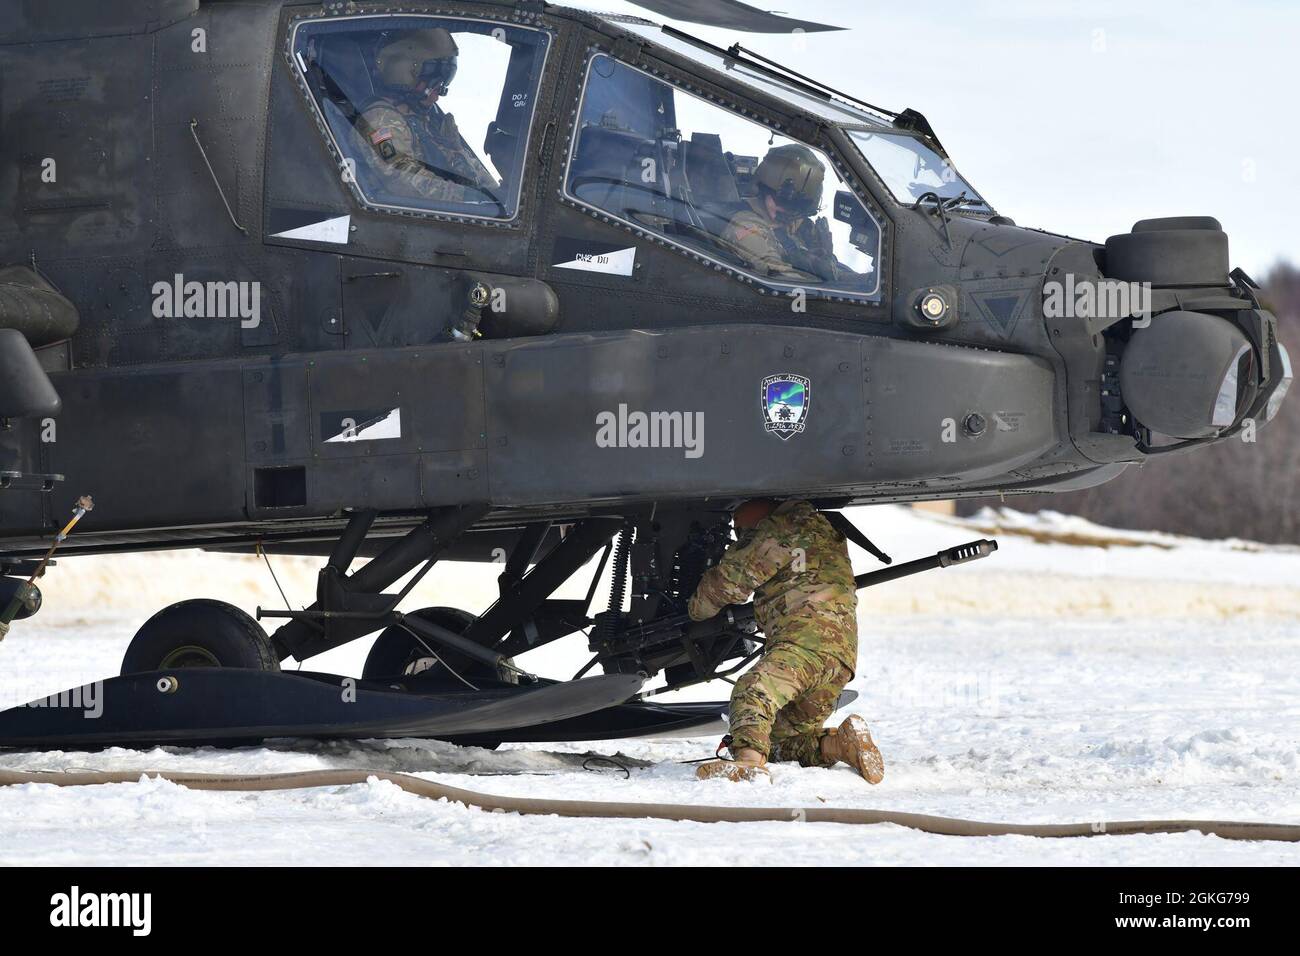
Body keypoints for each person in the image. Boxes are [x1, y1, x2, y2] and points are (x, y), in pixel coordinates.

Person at [688, 498, 884, 783]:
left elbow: (724, 586)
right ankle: (840, 744)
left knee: (753, 690)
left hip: (803, 647)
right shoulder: (824, 529)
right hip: (840, 658)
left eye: (739, 530)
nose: (738, 536)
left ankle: (747, 764)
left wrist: (693, 608)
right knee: (778, 740)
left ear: (752, 521)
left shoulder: (775, 531)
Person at [354, 27, 499, 204]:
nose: (436, 96)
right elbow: (401, 176)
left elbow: (462, 163)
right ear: (405, 73)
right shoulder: (379, 121)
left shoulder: (427, 118)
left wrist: (496, 195)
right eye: (433, 86)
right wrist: (466, 198)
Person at [722, 144, 854, 284]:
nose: (787, 215)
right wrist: (827, 272)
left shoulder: (797, 225)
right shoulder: (745, 225)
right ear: (764, 189)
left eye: (796, 210)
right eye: (781, 204)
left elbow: (839, 273)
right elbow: (780, 279)